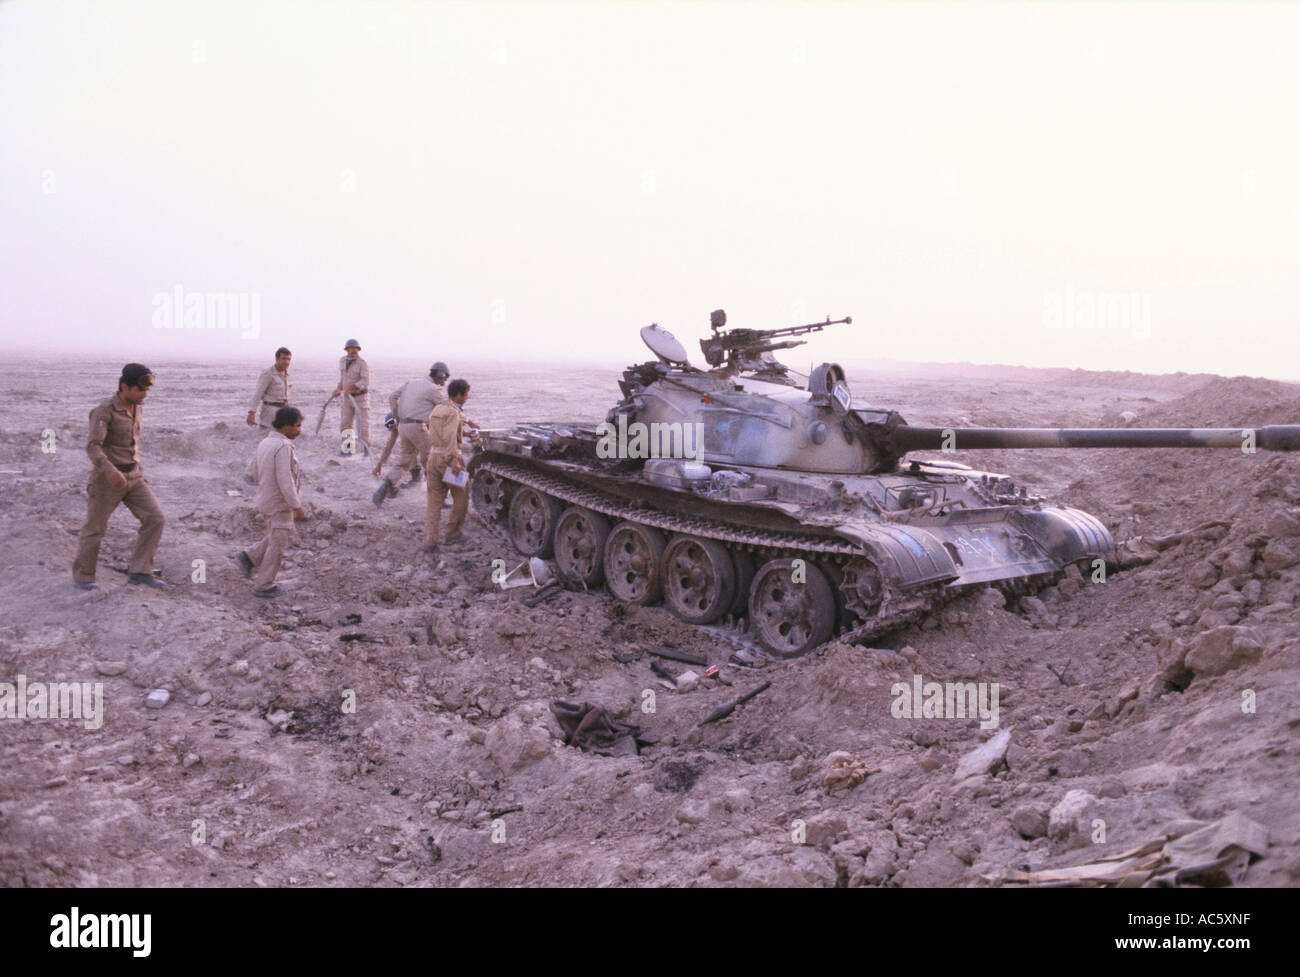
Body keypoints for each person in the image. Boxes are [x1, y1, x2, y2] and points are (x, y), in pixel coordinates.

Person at [72, 363, 166, 590]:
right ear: (125, 386)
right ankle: (84, 578)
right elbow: (93, 446)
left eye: (146, 390)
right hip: (107, 480)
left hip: (133, 477)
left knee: (155, 518)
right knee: (95, 529)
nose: (145, 394)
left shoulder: (137, 407)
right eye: (140, 389)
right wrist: (109, 469)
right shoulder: (104, 411)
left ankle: (140, 571)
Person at [236, 406, 307, 598]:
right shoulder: (283, 447)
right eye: (297, 426)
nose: (300, 431)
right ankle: (264, 585)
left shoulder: (266, 442)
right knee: (278, 543)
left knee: (277, 534)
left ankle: (249, 556)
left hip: (266, 499)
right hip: (279, 503)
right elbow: (286, 480)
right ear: (285, 426)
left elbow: (254, 474)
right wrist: (296, 505)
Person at [371, 362, 449, 505]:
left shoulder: (411, 383)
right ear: (440, 375)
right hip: (416, 426)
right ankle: (436, 498)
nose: (445, 382)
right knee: (432, 461)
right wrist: (467, 421)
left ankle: (384, 488)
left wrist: (397, 416)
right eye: (445, 378)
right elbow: (448, 408)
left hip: (404, 425)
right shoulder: (432, 389)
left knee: (404, 460)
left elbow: (392, 397)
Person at [424, 378, 472, 554]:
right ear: (459, 394)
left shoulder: (437, 408)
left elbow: (437, 431)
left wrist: (464, 432)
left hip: (433, 458)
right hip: (448, 460)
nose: (467, 397)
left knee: (434, 500)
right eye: (466, 394)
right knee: (462, 493)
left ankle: (430, 541)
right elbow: (450, 436)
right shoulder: (453, 412)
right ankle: (452, 533)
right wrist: (454, 461)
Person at [331, 338, 370, 454]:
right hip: (347, 399)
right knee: (345, 424)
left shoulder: (363, 363)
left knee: (363, 425)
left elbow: (365, 381)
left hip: (360, 399)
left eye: (355, 348)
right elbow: (343, 379)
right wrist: (338, 389)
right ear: (347, 350)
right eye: (351, 348)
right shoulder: (342, 361)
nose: (353, 350)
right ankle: (347, 450)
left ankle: (366, 450)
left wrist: (352, 387)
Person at [246, 347, 293, 429]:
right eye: (284, 359)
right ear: (277, 359)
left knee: (282, 438)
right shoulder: (268, 374)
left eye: (289, 359)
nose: (286, 362)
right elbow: (258, 393)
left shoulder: (287, 375)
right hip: (269, 412)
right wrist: (251, 412)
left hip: (283, 411)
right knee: (266, 437)